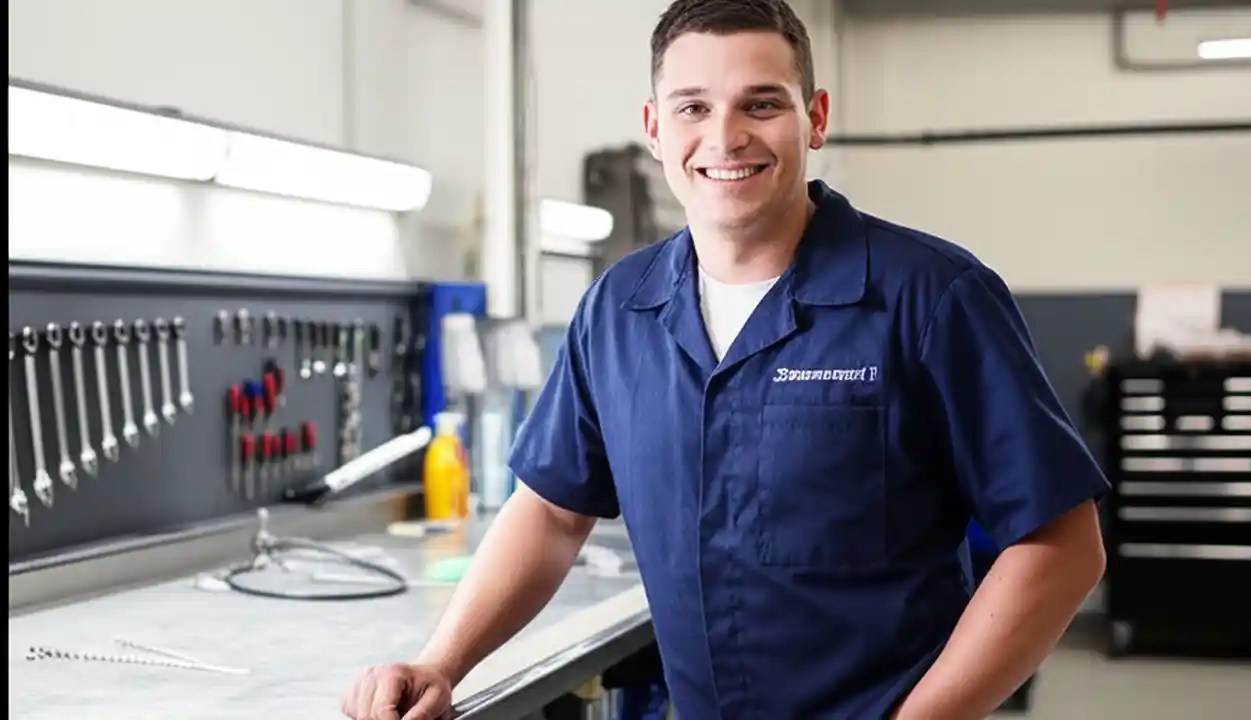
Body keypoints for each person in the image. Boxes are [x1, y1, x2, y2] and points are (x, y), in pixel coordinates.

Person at [340, 1, 1111, 718]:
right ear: (654, 126)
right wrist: (443, 662)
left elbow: (1062, 545)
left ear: (816, 118)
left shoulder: (932, 297)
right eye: (693, 107)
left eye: (761, 103)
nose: (725, 136)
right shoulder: (619, 311)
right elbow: (549, 510)